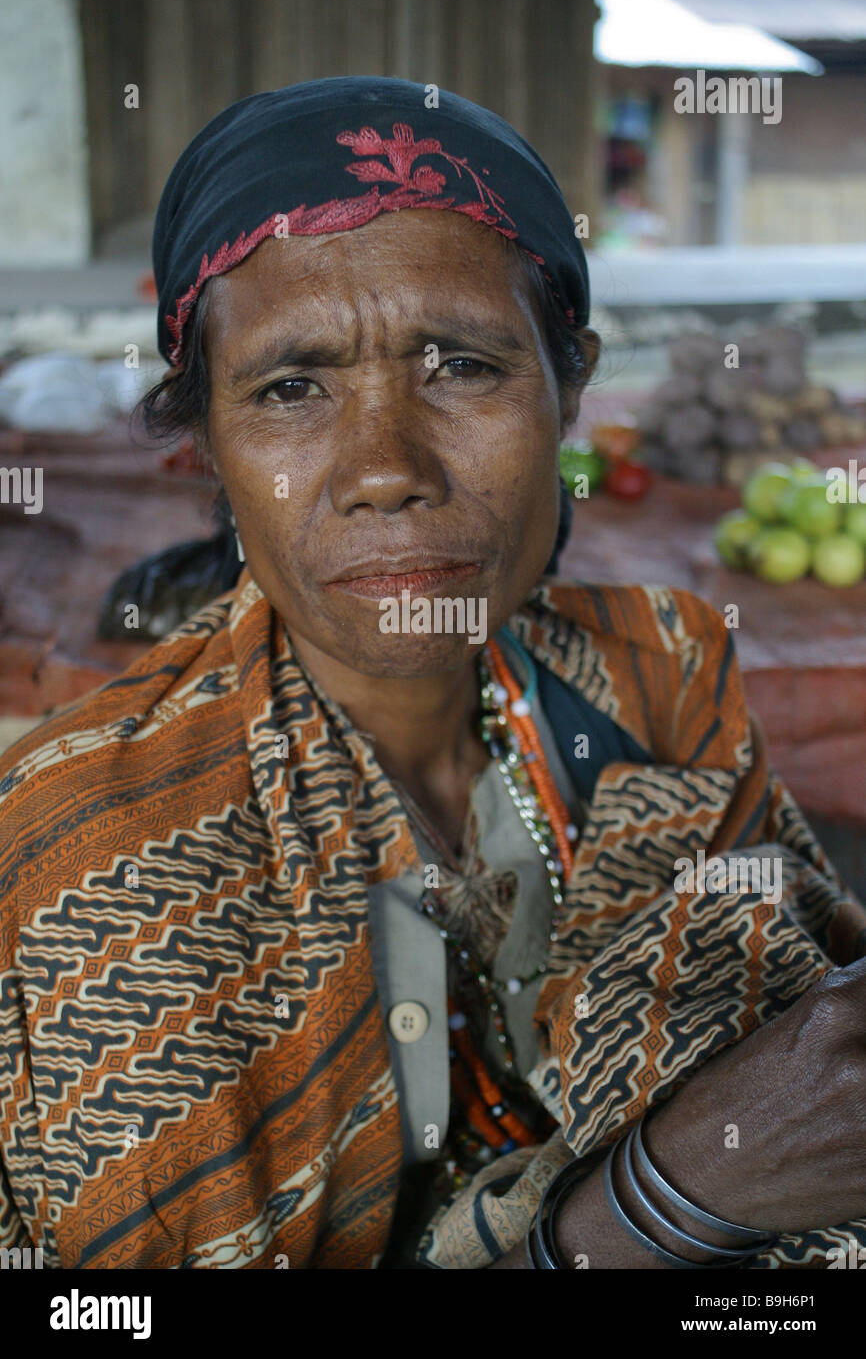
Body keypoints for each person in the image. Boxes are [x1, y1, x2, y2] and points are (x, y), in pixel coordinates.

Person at [1, 76, 864, 1271]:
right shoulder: (77, 855)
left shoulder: (658, 678)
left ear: (569, 387)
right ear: (207, 444)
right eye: (290, 387)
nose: (384, 466)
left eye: (460, 365)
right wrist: (656, 1205)